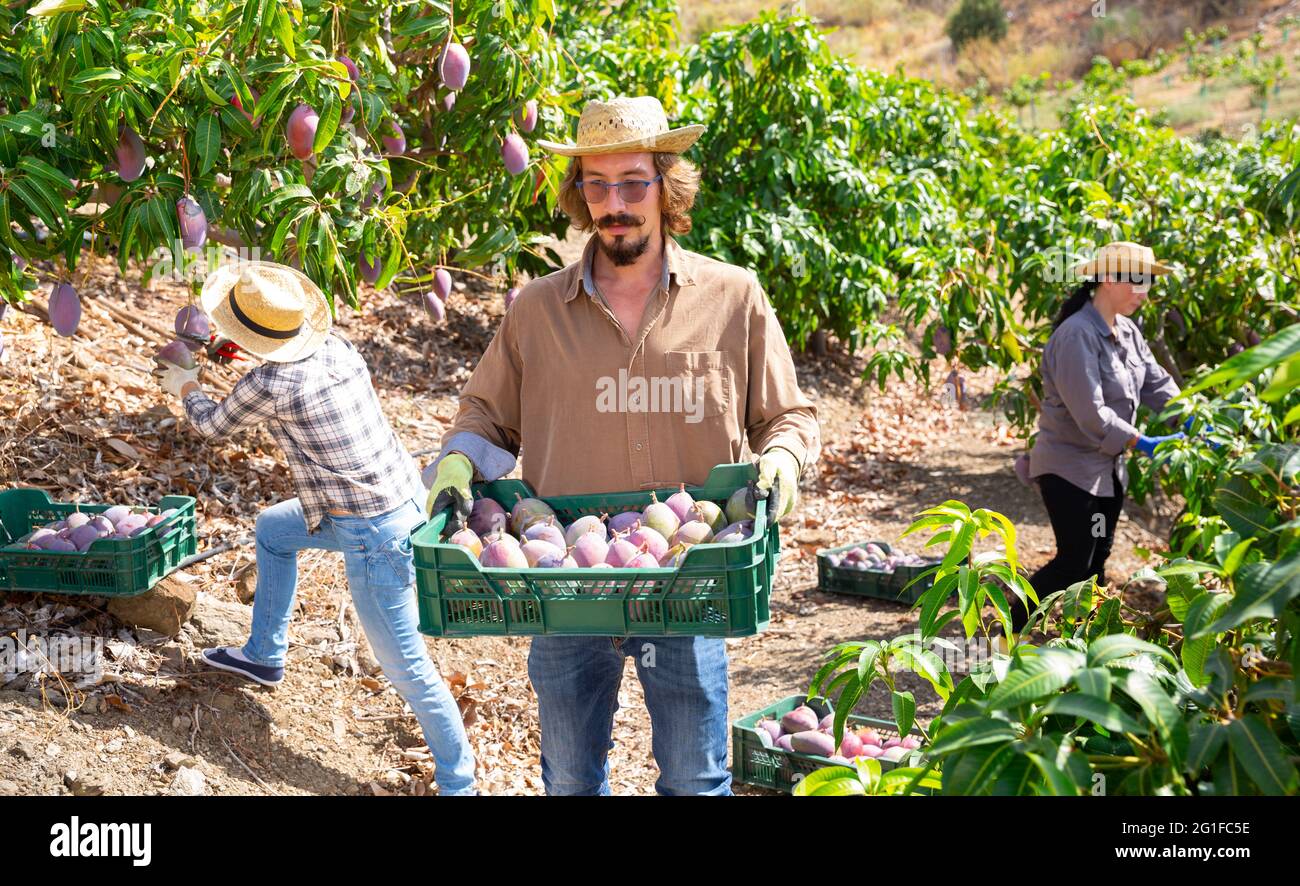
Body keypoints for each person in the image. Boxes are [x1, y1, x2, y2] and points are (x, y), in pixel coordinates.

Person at [423, 96, 821, 795]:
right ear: (579, 196)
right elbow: (487, 414)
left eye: (634, 182)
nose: (616, 203)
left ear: (667, 186)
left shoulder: (734, 297)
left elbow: (787, 417)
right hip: (565, 585)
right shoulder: (538, 311)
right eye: (597, 185)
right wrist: (458, 461)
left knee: (696, 780)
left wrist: (782, 463)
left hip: (691, 577)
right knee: (572, 779)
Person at [152, 261, 476, 796]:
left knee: (407, 668)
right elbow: (280, 376)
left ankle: (459, 784)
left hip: (373, 536)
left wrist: (185, 383)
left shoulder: (271, 381)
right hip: (402, 501)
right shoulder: (337, 347)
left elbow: (212, 424)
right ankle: (264, 655)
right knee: (274, 530)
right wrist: (238, 355)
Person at [1016, 241, 1185, 634]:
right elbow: (1091, 412)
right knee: (1074, 560)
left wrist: (1192, 416)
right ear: (1109, 278)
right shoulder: (1077, 335)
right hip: (1070, 470)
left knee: (1095, 560)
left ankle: (1082, 636)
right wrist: (1141, 442)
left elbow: (1158, 384)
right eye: (1137, 281)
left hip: (1106, 471)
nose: (1144, 292)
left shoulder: (1126, 330)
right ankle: (1011, 624)